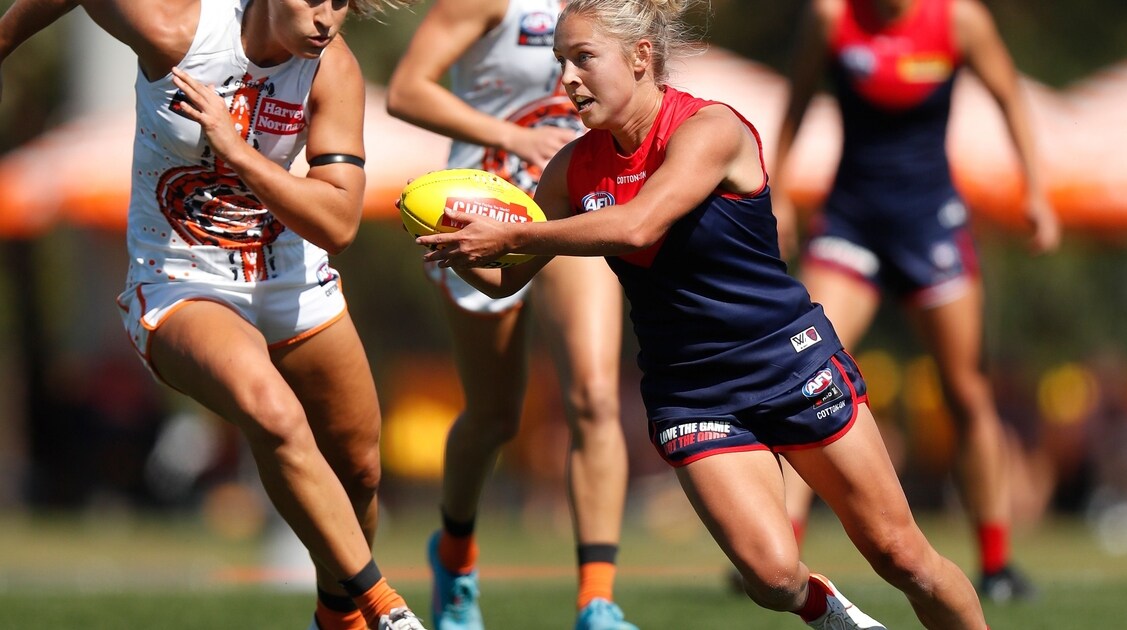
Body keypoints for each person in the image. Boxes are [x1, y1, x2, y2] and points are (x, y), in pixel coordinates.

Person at [414, 0, 990, 627]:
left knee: (902, 556)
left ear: (640, 58)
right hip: (692, 395)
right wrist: (454, 243)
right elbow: (504, 281)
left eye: (582, 59)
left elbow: (639, 226)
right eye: (560, 63)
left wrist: (513, 236)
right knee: (771, 578)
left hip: (791, 364)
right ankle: (831, 612)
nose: (566, 81)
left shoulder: (711, 129)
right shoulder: (571, 169)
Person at [0, 0, 426, 628]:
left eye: (341, 2)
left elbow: (338, 221)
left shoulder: (332, 69)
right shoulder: (176, 32)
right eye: (314, 0)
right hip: (181, 286)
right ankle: (387, 610)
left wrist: (237, 148)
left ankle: (336, 621)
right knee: (272, 411)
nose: (327, 18)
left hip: (292, 279)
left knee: (359, 467)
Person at [769, 0, 1061, 602]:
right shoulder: (831, 18)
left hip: (931, 225)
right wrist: (778, 190)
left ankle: (998, 563)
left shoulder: (959, 20)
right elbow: (794, 105)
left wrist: (1036, 190)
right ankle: (783, 552)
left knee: (966, 391)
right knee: (806, 374)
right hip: (851, 223)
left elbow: (1011, 97)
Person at [384, 2, 635, 629]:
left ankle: (597, 603)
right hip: (480, 208)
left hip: (576, 203)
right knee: (494, 416)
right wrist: (514, 137)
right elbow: (404, 90)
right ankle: (455, 557)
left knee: (595, 398)